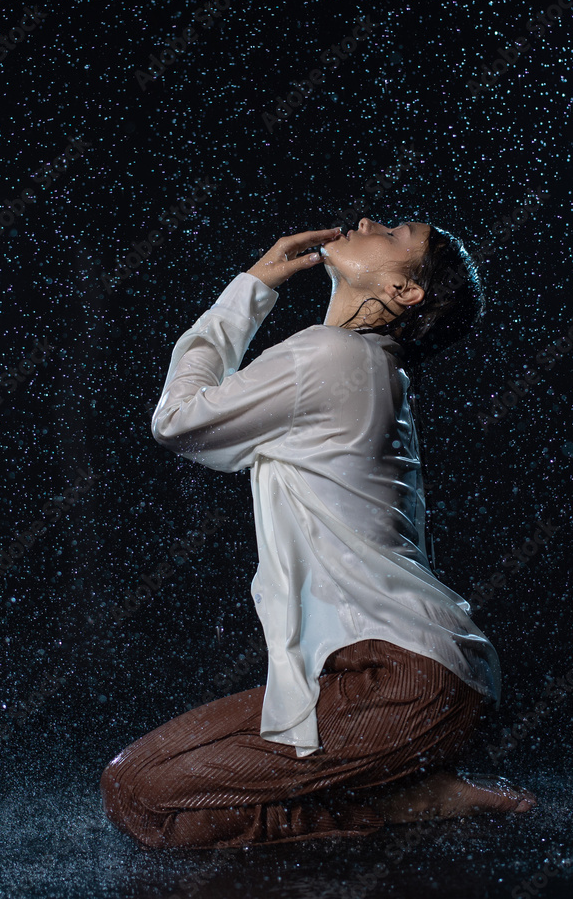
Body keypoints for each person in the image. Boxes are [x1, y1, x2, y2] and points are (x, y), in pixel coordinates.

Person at [100, 217, 537, 850]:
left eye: (393, 233)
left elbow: (177, 420)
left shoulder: (332, 356)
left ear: (404, 291)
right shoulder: (370, 366)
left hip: (399, 684)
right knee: (149, 793)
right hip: (413, 677)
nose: (367, 222)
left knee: (141, 795)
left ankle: (397, 803)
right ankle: (396, 792)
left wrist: (249, 288)